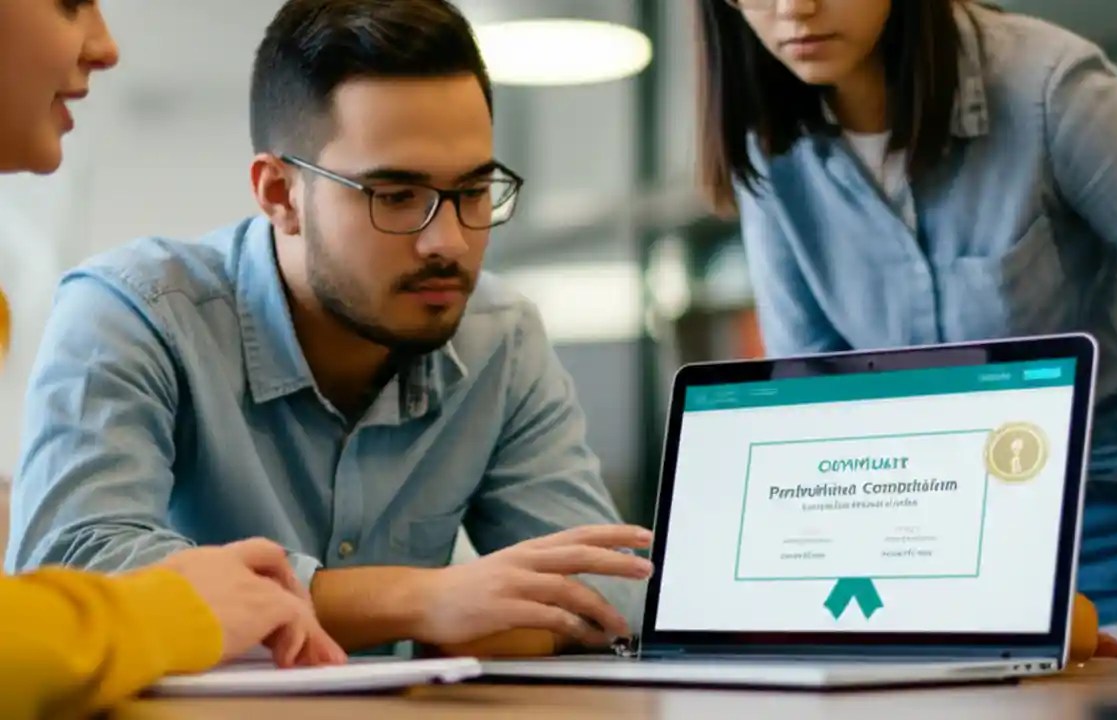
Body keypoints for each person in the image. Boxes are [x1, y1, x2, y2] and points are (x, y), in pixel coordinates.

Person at [8, 0, 652, 657]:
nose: (449, 242)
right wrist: (422, 602)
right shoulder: (135, 311)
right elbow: (76, 568)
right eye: (396, 197)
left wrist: (462, 621)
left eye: (473, 192)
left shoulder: (500, 340)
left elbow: (609, 588)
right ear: (279, 194)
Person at [695, 0, 1117, 654]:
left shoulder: (1048, 89)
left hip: (1103, 508)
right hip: (913, 530)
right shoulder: (770, 143)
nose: (794, 7)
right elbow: (818, 402)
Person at [0, 4, 345, 715]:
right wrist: (173, 611)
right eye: (67, 1)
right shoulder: (128, 301)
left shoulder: (503, 328)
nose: (106, 46)